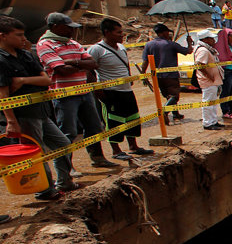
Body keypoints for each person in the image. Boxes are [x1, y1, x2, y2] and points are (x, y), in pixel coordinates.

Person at [0, 15, 74, 199]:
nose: (23, 39)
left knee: (62, 144)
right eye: (18, 35)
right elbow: (3, 94)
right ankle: (46, 190)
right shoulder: (1, 61)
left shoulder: (25, 55)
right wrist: (11, 121)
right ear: (3, 36)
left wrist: (22, 80)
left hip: (41, 111)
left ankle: (64, 181)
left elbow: (46, 79)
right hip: (23, 115)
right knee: (37, 153)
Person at [37, 12, 118, 168]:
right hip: (64, 94)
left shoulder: (73, 43)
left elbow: (93, 63)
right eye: (67, 28)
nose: (71, 31)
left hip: (84, 91)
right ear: (55, 27)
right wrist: (79, 63)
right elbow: (62, 70)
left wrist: (71, 61)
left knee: (94, 127)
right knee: (68, 132)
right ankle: (67, 168)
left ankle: (97, 157)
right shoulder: (45, 45)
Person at [87, 18, 153, 160]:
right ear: (107, 32)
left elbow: (125, 64)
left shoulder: (122, 48)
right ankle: (116, 150)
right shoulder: (97, 49)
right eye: (118, 32)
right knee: (113, 120)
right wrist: (96, 88)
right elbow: (88, 70)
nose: (122, 35)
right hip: (110, 92)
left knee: (132, 117)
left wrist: (128, 77)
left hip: (126, 90)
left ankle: (133, 146)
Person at [139, 23, 192, 124]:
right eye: (168, 32)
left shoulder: (149, 44)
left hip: (158, 76)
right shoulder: (170, 44)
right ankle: (164, 112)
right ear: (163, 33)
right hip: (171, 75)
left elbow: (145, 61)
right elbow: (188, 51)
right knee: (174, 96)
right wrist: (189, 42)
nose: (169, 34)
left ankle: (176, 114)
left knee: (168, 95)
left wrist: (143, 74)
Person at [193, 30, 224, 130]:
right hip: (208, 81)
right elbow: (200, 65)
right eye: (211, 39)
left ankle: (213, 121)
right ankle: (207, 123)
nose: (213, 41)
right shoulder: (203, 50)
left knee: (213, 102)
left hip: (212, 80)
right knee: (208, 102)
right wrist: (210, 76)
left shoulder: (208, 49)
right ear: (205, 39)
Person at [215, 24, 232, 120]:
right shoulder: (221, 48)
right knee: (226, 91)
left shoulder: (231, 47)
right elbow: (221, 59)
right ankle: (225, 111)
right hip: (227, 71)